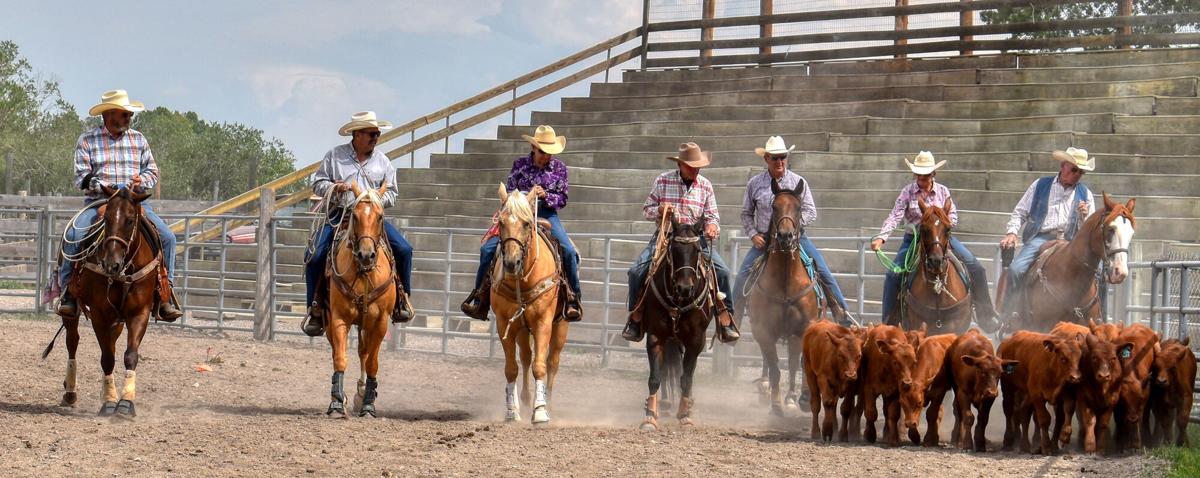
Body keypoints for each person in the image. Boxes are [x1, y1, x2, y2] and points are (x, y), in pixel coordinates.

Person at [58, 89, 182, 321]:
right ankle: (68, 293)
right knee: (73, 234)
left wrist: (141, 180)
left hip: (131, 203)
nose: (128, 118)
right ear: (108, 115)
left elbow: (152, 171)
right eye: (124, 114)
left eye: (129, 114)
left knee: (168, 238)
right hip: (100, 202)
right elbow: (81, 177)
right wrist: (108, 186)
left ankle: (165, 294)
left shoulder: (138, 139)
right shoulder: (87, 140)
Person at [301, 111, 414, 337]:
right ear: (357, 134)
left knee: (404, 249)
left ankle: (402, 299)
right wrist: (336, 188)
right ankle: (315, 308)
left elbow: (392, 193)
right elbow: (318, 184)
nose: (375, 137)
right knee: (314, 256)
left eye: (377, 134)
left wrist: (374, 201)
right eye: (371, 133)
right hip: (340, 217)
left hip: (371, 220)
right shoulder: (334, 156)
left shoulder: (383, 161)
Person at [460, 125, 583, 321]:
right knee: (488, 250)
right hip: (518, 214)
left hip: (547, 214)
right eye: (543, 152)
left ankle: (572, 297)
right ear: (534, 148)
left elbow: (563, 198)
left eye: (550, 153)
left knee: (567, 250)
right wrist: (525, 198)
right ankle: (479, 296)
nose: (546, 157)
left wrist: (547, 195)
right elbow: (510, 191)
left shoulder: (559, 168)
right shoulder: (520, 165)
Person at [869, 151, 1000, 332]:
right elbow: (895, 216)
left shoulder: (944, 191)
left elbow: (952, 216)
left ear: (933, 174)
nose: (922, 178)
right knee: (893, 275)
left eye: (926, 174)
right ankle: (888, 322)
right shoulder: (908, 192)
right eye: (919, 174)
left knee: (976, 267)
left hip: (942, 237)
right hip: (914, 239)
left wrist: (938, 221)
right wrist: (881, 237)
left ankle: (986, 314)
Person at [621, 142, 738, 343]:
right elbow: (647, 209)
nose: (696, 169)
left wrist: (712, 227)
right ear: (681, 165)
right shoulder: (663, 180)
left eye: (698, 166)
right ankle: (636, 316)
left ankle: (725, 319)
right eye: (692, 165)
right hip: (666, 237)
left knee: (723, 272)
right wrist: (659, 210)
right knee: (636, 271)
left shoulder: (706, 185)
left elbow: (713, 216)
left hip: (695, 239)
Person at [732, 136, 855, 325]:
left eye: (783, 157)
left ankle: (842, 314)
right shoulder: (754, 184)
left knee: (823, 271)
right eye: (775, 157)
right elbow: (746, 213)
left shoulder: (799, 182)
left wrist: (792, 228)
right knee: (742, 275)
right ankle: (733, 320)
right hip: (766, 239)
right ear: (766, 159)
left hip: (796, 238)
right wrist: (753, 234)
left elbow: (811, 211)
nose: (779, 161)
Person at [999, 147, 1096, 318]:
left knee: (1099, 273)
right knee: (1016, 269)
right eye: (1074, 170)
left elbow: (1087, 231)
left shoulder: (1086, 194)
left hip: (1071, 241)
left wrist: (1084, 216)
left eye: (1081, 172)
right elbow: (1020, 212)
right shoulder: (1040, 185)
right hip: (1041, 237)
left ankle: (1098, 316)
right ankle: (1008, 314)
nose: (1077, 175)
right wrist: (1012, 233)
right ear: (1063, 165)